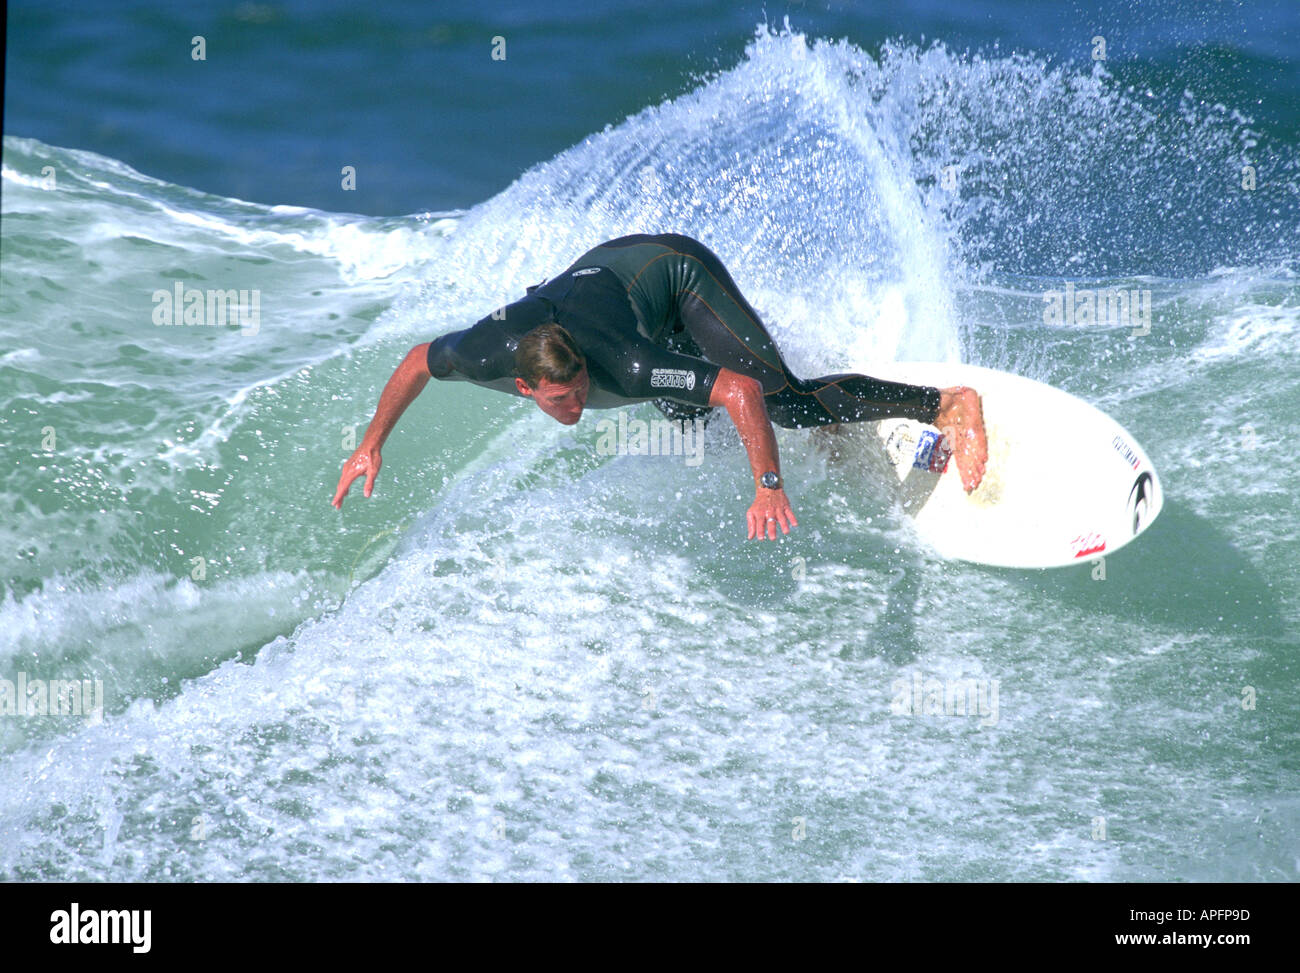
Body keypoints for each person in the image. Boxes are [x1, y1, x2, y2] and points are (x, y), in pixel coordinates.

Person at [332, 232, 987, 540]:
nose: (578, 403)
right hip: (617, 291)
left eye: (582, 389)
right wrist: (371, 442)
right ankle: (836, 423)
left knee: (779, 401)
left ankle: (945, 404)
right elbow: (418, 359)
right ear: (527, 387)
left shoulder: (626, 363)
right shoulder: (482, 352)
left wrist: (769, 486)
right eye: (563, 399)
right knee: (691, 416)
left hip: (672, 274)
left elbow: (739, 391)